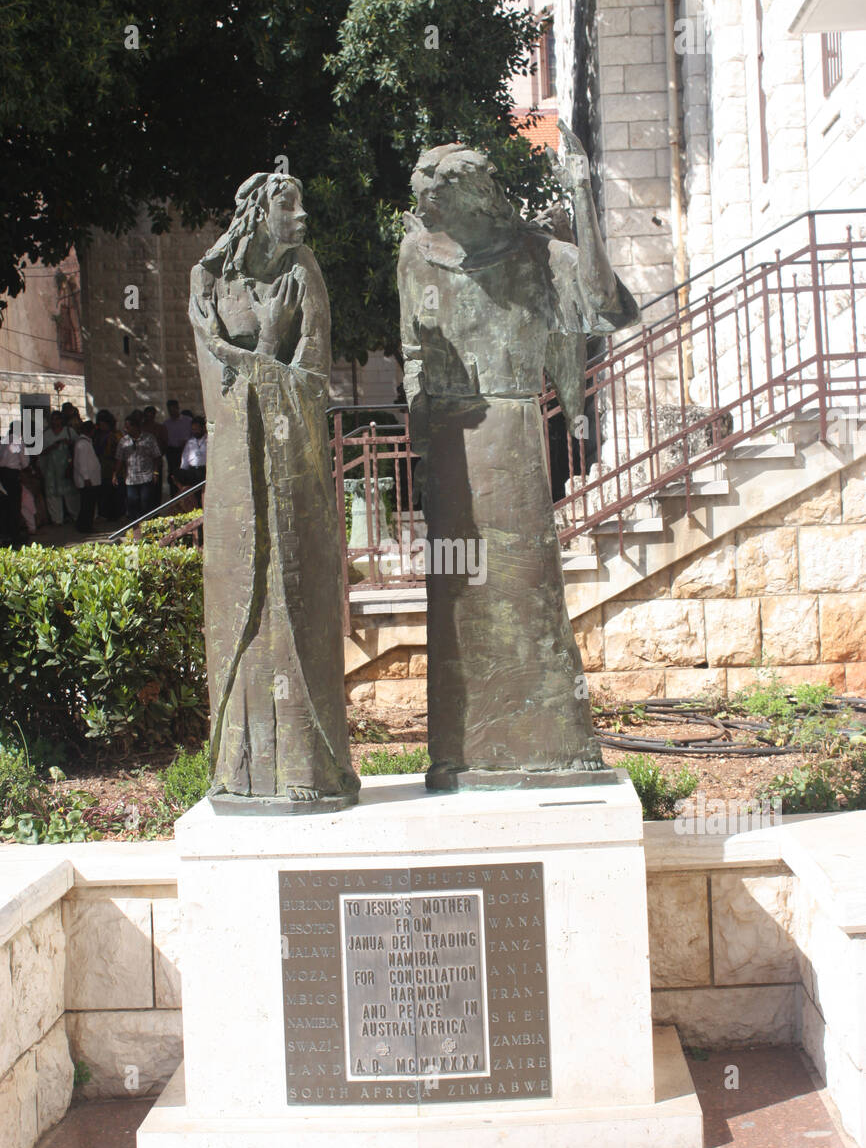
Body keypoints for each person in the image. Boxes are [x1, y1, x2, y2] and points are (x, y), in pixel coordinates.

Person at [397, 124, 639, 790]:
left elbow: (610, 309)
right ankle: (461, 753)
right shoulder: (417, 255)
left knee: (528, 590)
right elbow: (414, 349)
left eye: (430, 198)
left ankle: (549, 746)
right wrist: (420, 402)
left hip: (510, 434)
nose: (421, 210)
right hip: (450, 441)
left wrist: (585, 206)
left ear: (466, 195)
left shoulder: (536, 254)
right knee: (459, 594)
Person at [189, 170, 358, 806]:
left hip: (294, 473)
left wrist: (260, 358)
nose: (303, 217)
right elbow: (223, 389)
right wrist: (265, 341)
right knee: (243, 600)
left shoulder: (303, 270)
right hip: (236, 475)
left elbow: (312, 380)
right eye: (291, 206)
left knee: (297, 598)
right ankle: (242, 775)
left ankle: (308, 772)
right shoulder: (208, 282)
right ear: (260, 212)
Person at [113, 411, 162, 521]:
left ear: (135, 427)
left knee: (146, 503)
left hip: (146, 477)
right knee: (132, 504)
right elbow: (119, 459)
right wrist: (115, 474)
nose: (126, 429)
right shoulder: (123, 441)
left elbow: (156, 456)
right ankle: (135, 528)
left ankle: (147, 526)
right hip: (131, 479)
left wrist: (155, 472)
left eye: (128, 427)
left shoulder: (149, 438)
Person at [40, 411, 80, 525]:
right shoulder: (46, 434)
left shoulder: (69, 431)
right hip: (51, 468)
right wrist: (52, 447)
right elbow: (40, 452)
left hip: (66, 466)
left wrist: (68, 443)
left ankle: (75, 515)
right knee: (52, 494)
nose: (55, 421)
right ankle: (57, 519)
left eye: (58, 419)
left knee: (70, 493)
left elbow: (78, 445)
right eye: (53, 419)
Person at [0, 425, 29, 545]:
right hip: (12, 475)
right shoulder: (19, 442)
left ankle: (5, 534)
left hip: (2, 475)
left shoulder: (3, 441)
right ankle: (14, 535)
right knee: (14, 506)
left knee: (4, 506)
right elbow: (25, 462)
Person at [93, 410, 124, 520]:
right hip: (102, 466)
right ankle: (106, 513)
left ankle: (118, 513)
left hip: (114, 465)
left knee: (116, 490)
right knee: (104, 491)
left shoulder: (116, 435)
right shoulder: (97, 435)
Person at [72, 421, 102, 534]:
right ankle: (85, 526)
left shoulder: (86, 443)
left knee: (89, 503)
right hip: (87, 480)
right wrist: (86, 478)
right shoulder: (82, 444)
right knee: (87, 504)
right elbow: (81, 463)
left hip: (90, 479)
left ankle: (85, 524)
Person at [162, 400, 192, 483]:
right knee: (173, 473)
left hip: (186, 449)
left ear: (178, 408)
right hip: (172, 451)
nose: (172, 412)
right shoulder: (166, 424)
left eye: (174, 409)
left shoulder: (188, 421)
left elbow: (192, 435)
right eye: (170, 410)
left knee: (186, 472)